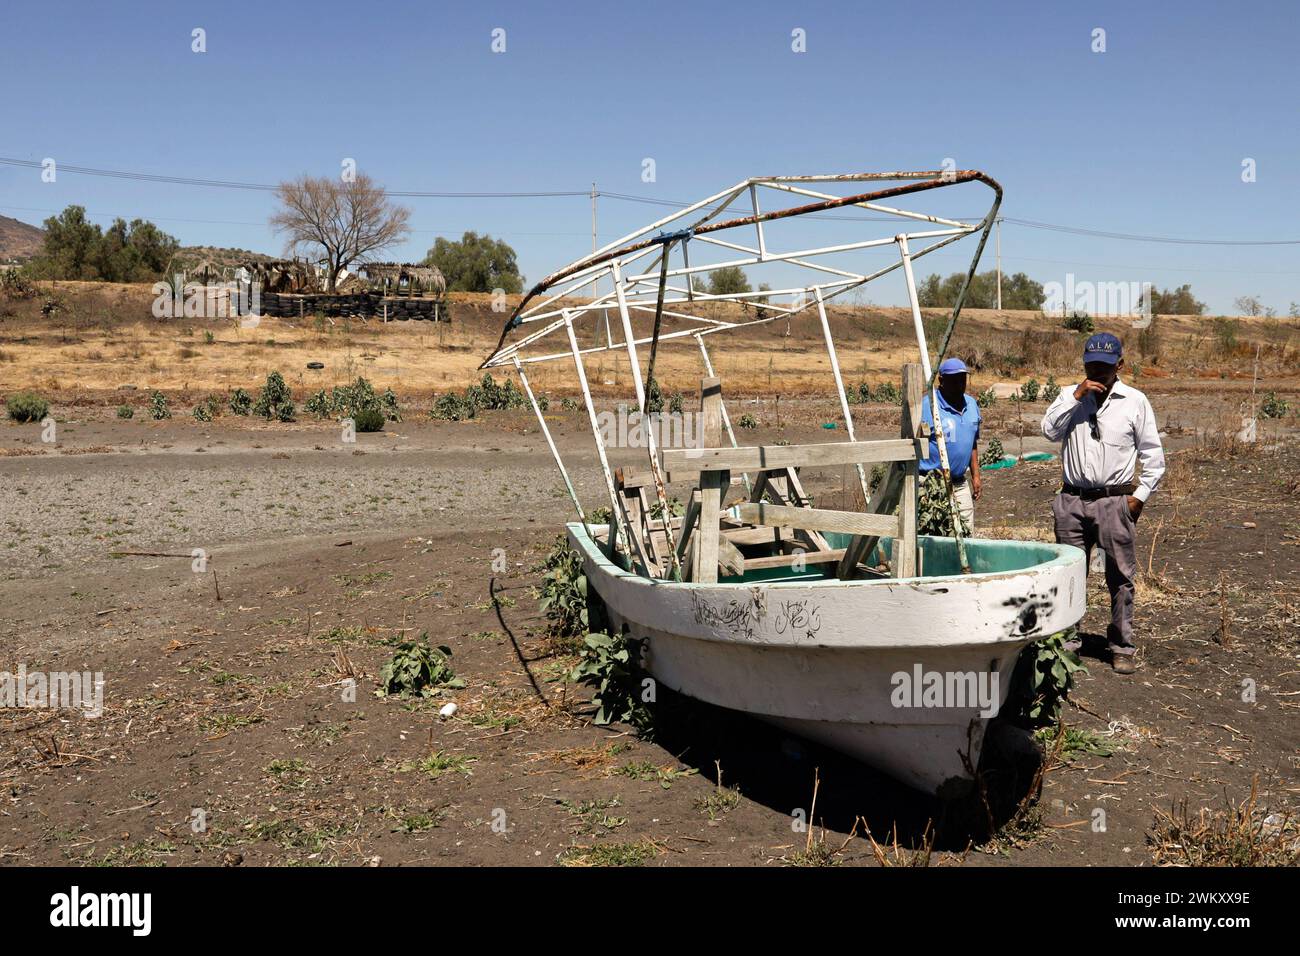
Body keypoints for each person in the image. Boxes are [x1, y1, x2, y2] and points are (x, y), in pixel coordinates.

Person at [1041, 333, 1165, 674]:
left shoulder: (1135, 400)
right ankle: (1067, 643)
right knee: (1068, 574)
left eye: (1105, 367)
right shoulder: (1069, 395)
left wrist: (1138, 499)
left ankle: (1121, 646)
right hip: (1072, 500)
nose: (1097, 371)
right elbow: (1048, 432)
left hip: (1114, 502)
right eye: (1092, 364)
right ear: (1083, 363)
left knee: (1120, 577)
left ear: (1119, 366)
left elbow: (1154, 455)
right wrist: (1076, 397)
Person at [919, 357, 982, 531]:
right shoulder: (928, 406)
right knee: (933, 534)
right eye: (954, 380)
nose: (960, 384)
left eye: (963, 379)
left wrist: (976, 476)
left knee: (966, 533)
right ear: (941, 381)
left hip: (959, 483)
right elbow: (912, 443)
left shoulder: (971, 404)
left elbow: (973, 443)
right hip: (930, 484)